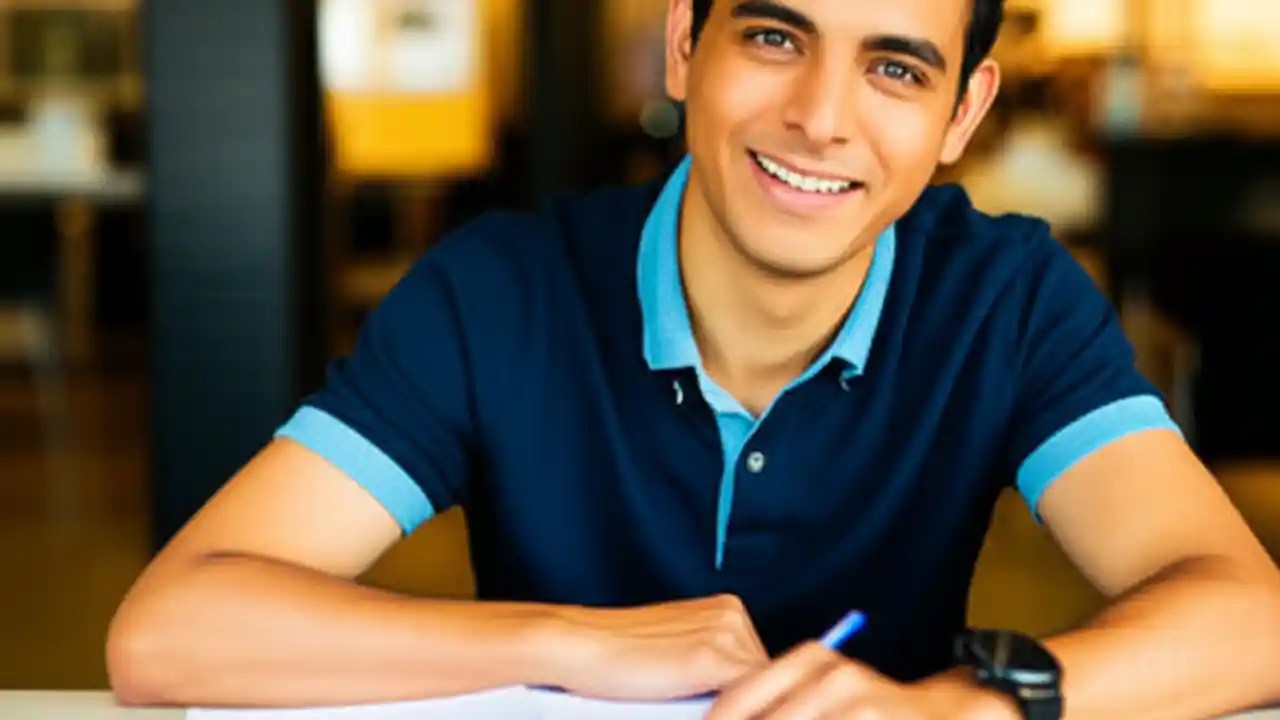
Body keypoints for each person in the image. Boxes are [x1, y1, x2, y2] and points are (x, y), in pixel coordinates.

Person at [107, 1, 1280, 718]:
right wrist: (567, 640)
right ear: (683, 45)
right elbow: (170, 632)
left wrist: (965, 710)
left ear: (962, 115)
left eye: (893, 67)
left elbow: (1249, 620)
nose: (820, 117)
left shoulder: (1002, 294)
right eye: (774, 36)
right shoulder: (501, 290)